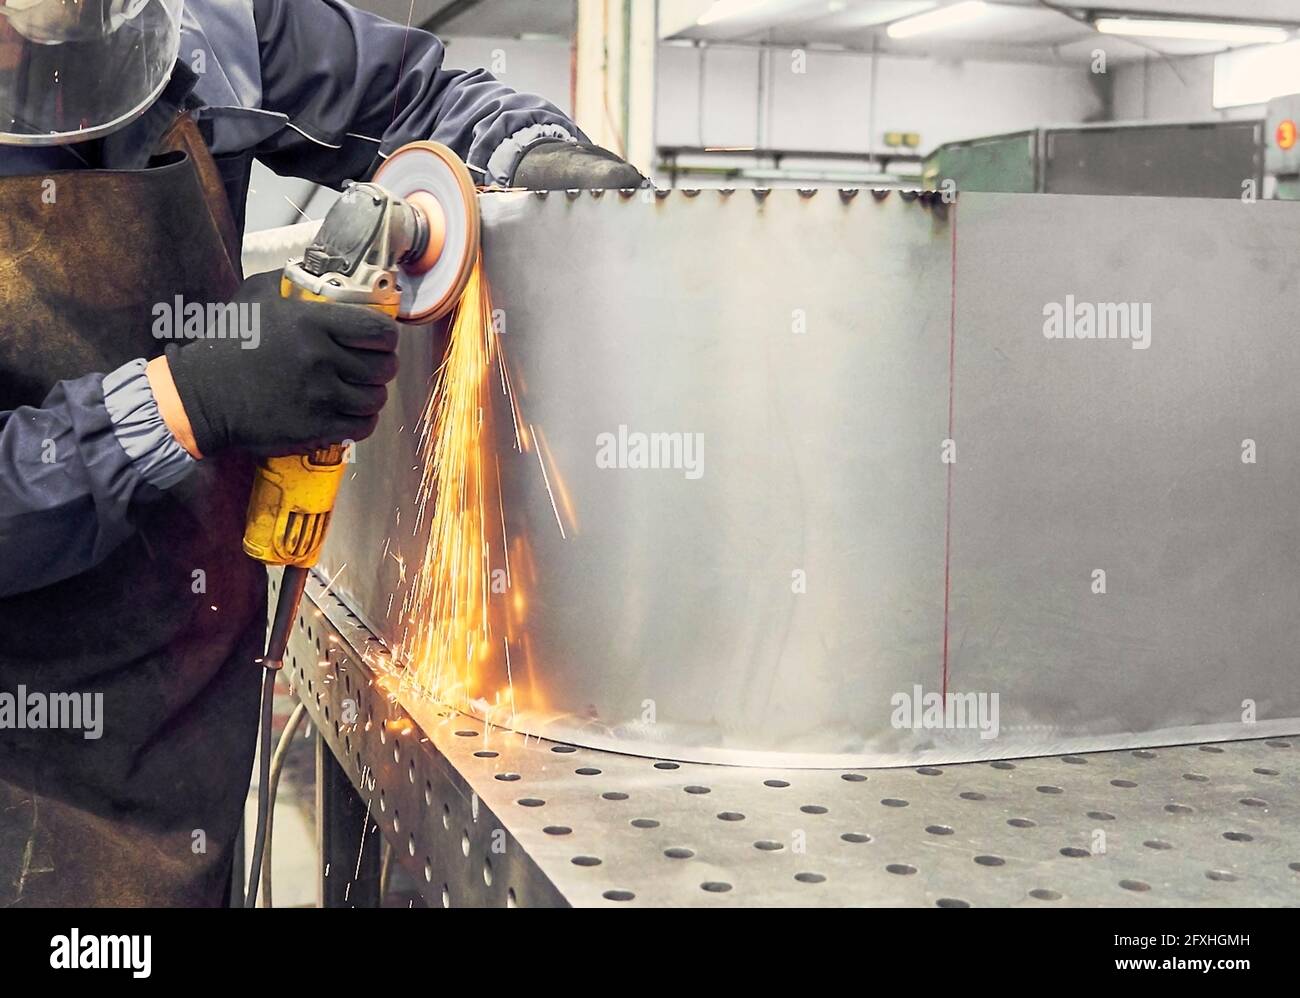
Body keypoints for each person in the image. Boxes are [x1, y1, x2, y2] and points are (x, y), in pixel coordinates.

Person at [0, 0, 643, 907]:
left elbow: (412, 93)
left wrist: (520, 155)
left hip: (188, 714)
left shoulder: (207, 32)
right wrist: (184, 401)